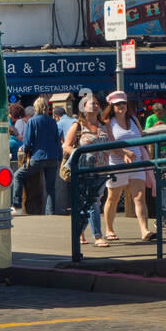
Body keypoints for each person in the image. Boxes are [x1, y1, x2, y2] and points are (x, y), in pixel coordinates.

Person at [100, 91, 154, 240]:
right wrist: (123, 153)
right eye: (117, 104)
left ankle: (144, 230)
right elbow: (108, 145)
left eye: (123, 103)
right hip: (117, 165)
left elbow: (142, 138)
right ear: (112, 106)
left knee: (140, 197)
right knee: (113, 197)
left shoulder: (134, 119)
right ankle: (109, 229)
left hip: (136, 164)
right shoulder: (108, 123)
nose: (121, 106)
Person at [63, 94, 108, 247]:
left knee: (88, 204)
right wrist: (78, 153)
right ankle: (98, 236)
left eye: (97, 103)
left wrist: (125, 153)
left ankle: (79, 233)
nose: (95, 106)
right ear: (83, 107)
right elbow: (66, 146)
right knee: (93, 202)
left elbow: (112, 145)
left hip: (101, 170)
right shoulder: (78, 126)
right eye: (91, 103)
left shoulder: (104, 125)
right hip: (84, 171)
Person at [11, 96, 63, 216]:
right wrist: (59, 158)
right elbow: (57, 141)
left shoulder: (32, 121)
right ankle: (50, 213)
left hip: (38, 157)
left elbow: (27, 142)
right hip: (53, 157)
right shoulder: (53, 121)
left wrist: (24, 148)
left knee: (18, 175)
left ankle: (17, 206)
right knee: (50, 188)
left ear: (35, 108)